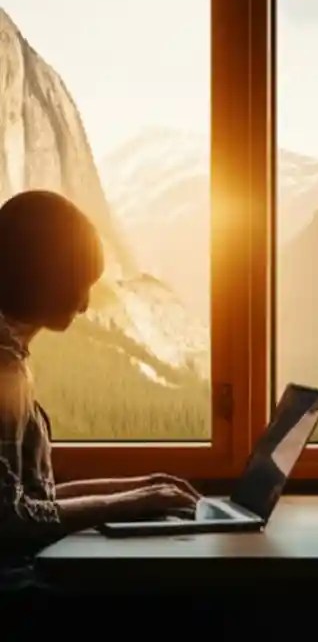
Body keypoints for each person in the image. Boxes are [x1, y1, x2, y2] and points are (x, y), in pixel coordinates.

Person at [0, 190, 202, 588]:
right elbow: (11, 519)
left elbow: (34, 498)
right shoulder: (4, 368)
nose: (85, 305)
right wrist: (132, 502)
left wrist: (141, 488)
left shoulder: (12, 358)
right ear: (47, 279)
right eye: (79, 284)